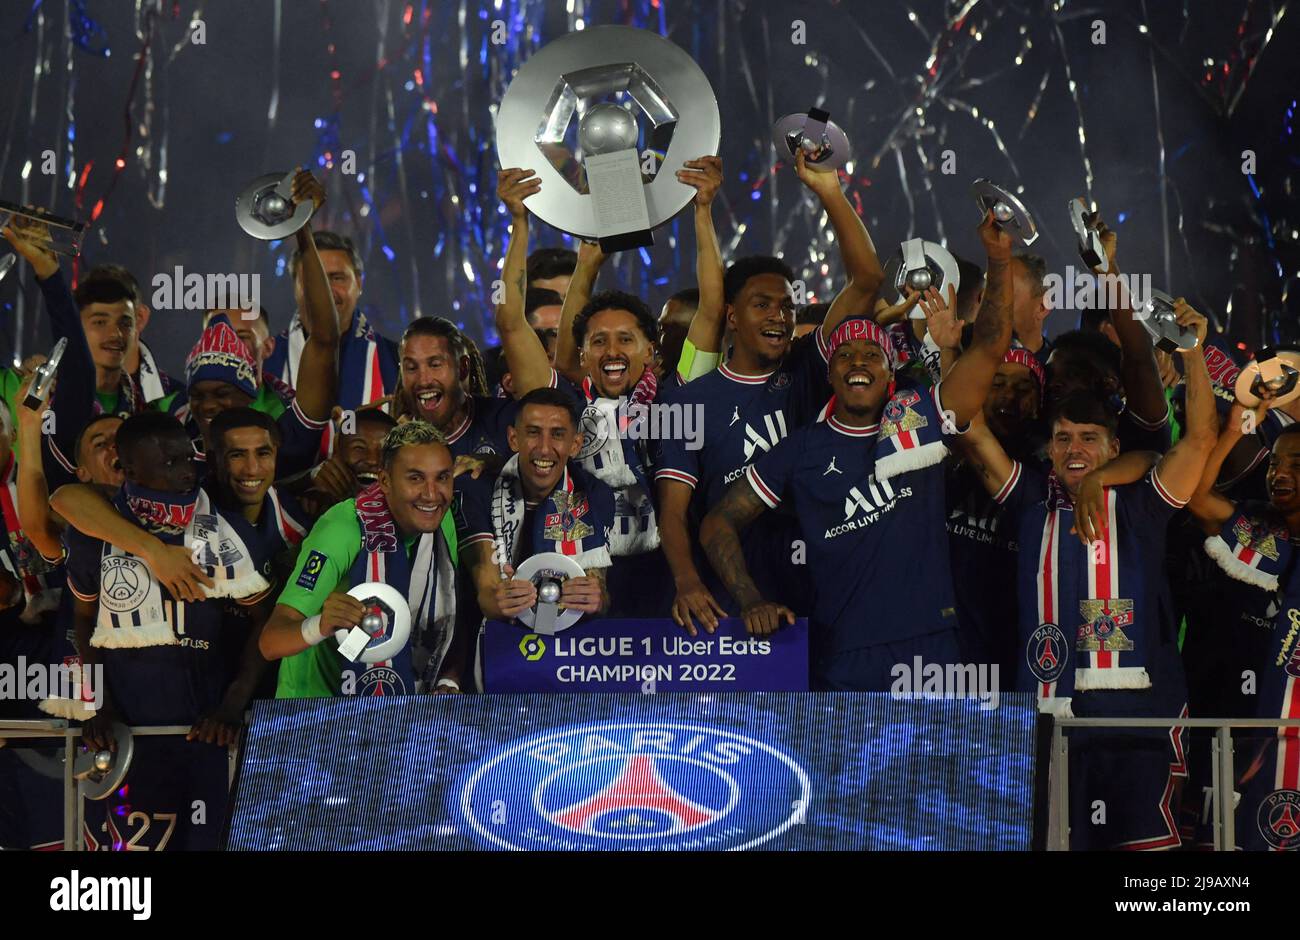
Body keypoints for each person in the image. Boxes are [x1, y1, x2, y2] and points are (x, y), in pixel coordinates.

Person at [699, 212, 1014, 687]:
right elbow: (717, 521)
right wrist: (749, 599)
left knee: (941, 765)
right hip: (846, 649)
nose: (858, 362)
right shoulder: (801, 449)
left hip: (934, 645)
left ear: (891, 373)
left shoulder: (925, 417)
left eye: (872, 355)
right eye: (845, 355)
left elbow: (990, 346)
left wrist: (1000, 257)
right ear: (830, 375)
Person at [955, 298, 1215, 849]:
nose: (1075, 449)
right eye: (1063, 438)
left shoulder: (1144, 504)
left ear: (1114, 447)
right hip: (1049, 720)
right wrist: (951, 346)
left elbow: (1196, 442)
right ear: (1047, 449)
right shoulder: (1030, 499)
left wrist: (1193, 354)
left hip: (1138, 724)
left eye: (1089, 438)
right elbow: (971, 429)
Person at [655, 148, 885, 633]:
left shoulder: (810, 368)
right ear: (733, 317)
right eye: (762, 305)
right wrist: (687, 582)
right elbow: (673, 511)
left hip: (823, 581)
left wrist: (829, 190)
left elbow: (867, 278)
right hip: (731, 593)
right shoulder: (689, 401)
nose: (779, 317)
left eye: (786, 306)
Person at [59, 411, 275, 850]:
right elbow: (83, 620)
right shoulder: (96, 530)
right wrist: (99, 704)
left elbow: (265, 622)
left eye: (187, 459)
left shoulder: (226, 531)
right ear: (130, 469)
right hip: (128, 736)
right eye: (170, 462)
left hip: (205, 736)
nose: (185, 472)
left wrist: (232, 705)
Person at [259, 421, 459, 697]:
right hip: (312, 712)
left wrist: (449, 681)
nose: (431, 493)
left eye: (442, 477)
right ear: (384, 480)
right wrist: (319, 625)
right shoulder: (341, 530)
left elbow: (452, 618)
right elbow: (271, 642)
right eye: (415, 478)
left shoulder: (442, 520)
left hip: (397, 711)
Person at [1184, 394, 1300, 849]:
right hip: (1241, 719)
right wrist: (1235, 429)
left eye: (1297, 462)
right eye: (1274, 462)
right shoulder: (1260, 527)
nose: (1280, 472)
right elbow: (1196, 494)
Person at [451, 388, 614, 688]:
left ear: (575, 444)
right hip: (492, 648)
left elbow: (599, 591)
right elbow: (486, 591)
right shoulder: (476, 488)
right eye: (533, 433)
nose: (543, 448)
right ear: (513, 439)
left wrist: (594, 597)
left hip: (568, 657)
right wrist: (498, 598)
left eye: (557, 435)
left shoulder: (594, 495)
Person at [264, 230, 399, 412]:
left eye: (337, 278)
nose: (325, 291)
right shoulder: (266, 363)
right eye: (312, 279)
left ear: (359, 284)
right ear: (294, 286)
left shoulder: (395, 362)